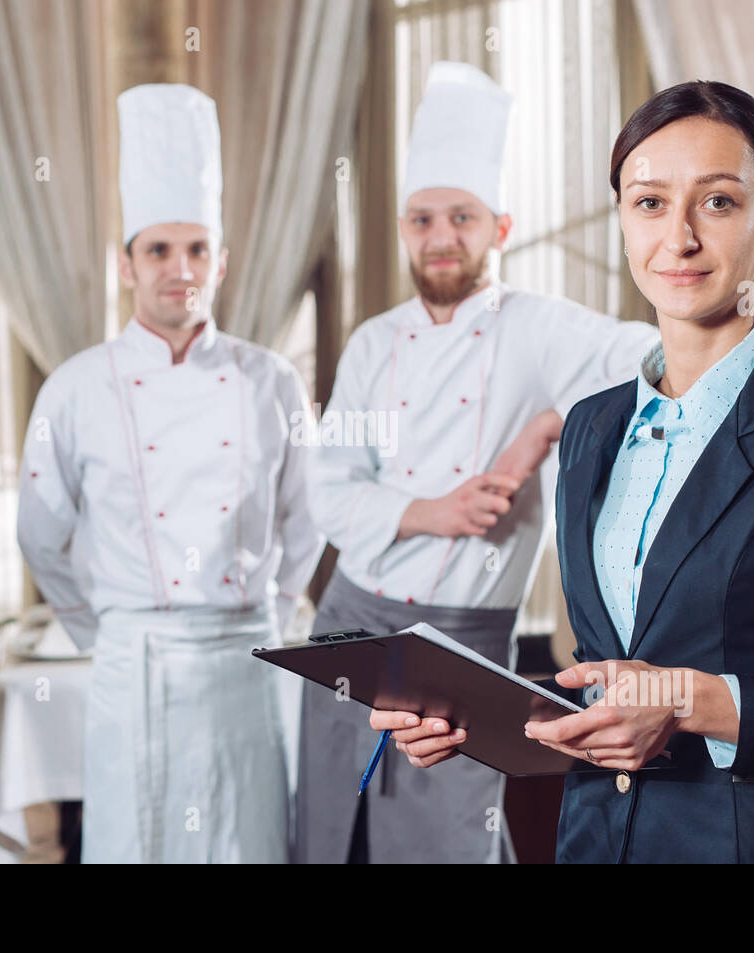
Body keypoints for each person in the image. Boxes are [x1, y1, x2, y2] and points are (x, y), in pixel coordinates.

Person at [370, 80, 754, 863]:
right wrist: (479, 716)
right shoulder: (591, 425)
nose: (678, 237)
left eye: (717, 202)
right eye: (649, 202)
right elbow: (609, 687)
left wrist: (697, 703)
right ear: (622, 216)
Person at [295, 62, 659, 864]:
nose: (440, 237)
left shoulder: (536, 328)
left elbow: (655, 356)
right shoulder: (371, 342)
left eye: (462, 217)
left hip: (458, 643)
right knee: (330, 835)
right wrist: (438, 509)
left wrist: (546, 426)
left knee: (450, 839)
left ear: (499, 226)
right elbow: (328, 489)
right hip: (350, 624)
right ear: (403, 228)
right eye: (422, 218)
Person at [17, 83, 324, 864]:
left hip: (245, 660)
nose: (178, 270)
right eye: (158, 250)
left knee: (248, 844)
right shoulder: (76, 387)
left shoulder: (271, 381)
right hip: (133, 667)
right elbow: (40, 535)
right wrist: (116, 627)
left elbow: (306, 519)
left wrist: (267, 609)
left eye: (196, 250)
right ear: (127, 264)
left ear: (221, 261)